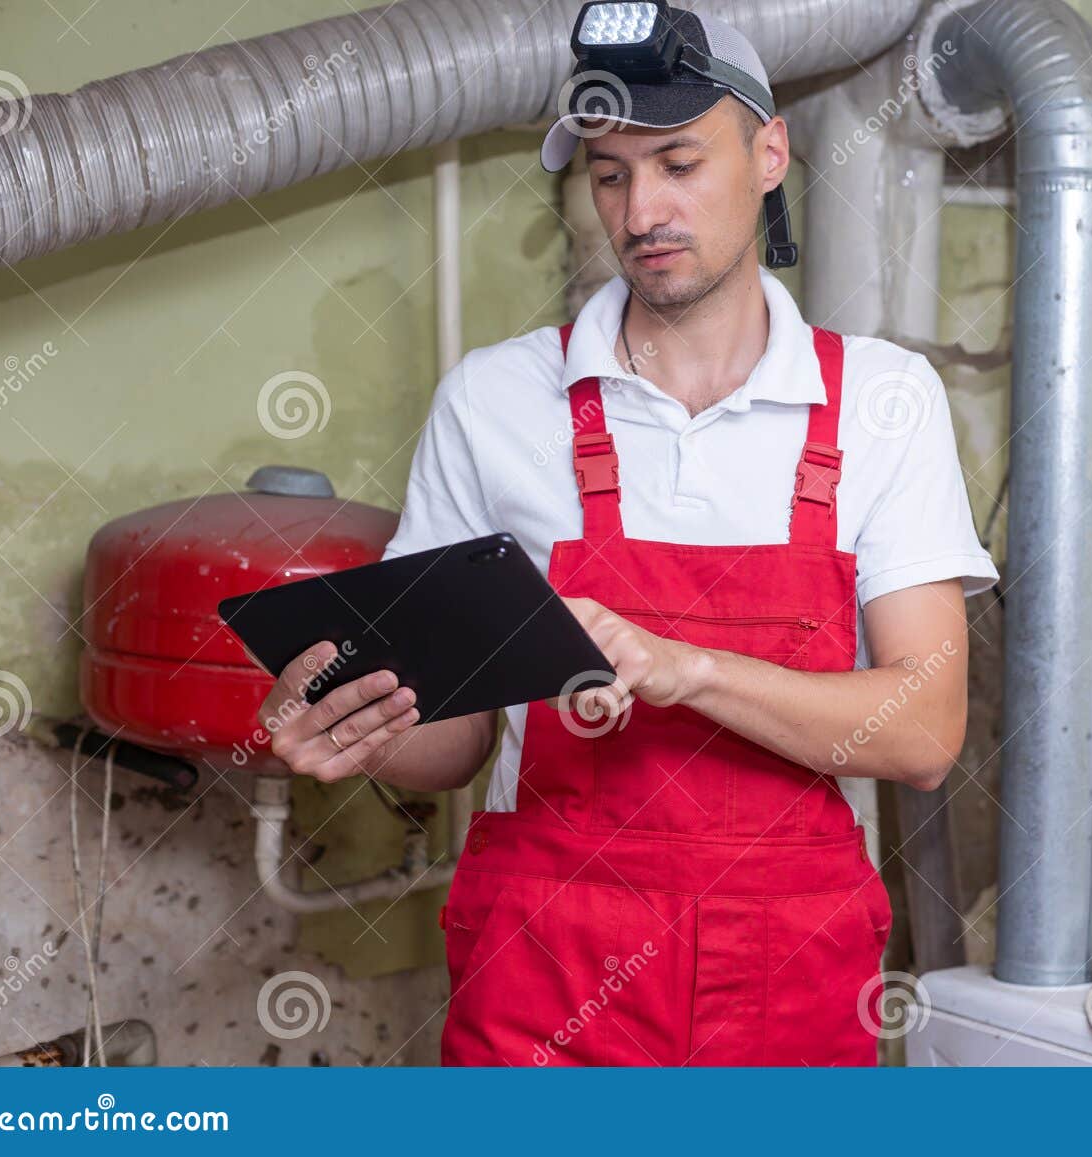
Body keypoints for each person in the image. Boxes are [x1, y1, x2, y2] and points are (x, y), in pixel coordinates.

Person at [257, 3, 997, 1066]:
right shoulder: (496, 400)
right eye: (610, 173)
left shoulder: (883, 400)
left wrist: (684, 668)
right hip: (546, 966)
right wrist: (350, 718)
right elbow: (456, 744)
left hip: (785, 969)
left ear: (769, 152)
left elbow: (921, 731)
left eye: (679, 162)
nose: (642, 208)